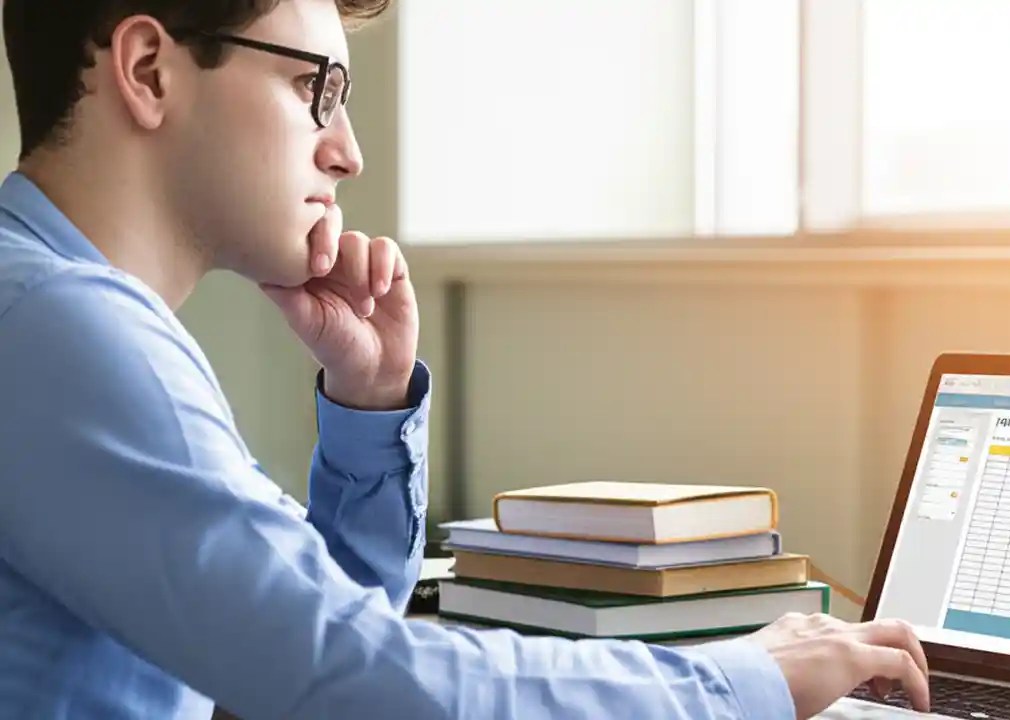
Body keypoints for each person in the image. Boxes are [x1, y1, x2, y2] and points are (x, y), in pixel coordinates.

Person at [0, 0, 932, 718]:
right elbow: (349, 681)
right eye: (314, 88)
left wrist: (369, 406)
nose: (349, 152)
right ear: (151, 70)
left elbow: (281, 650)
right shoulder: (61, 327)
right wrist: (736, 684)